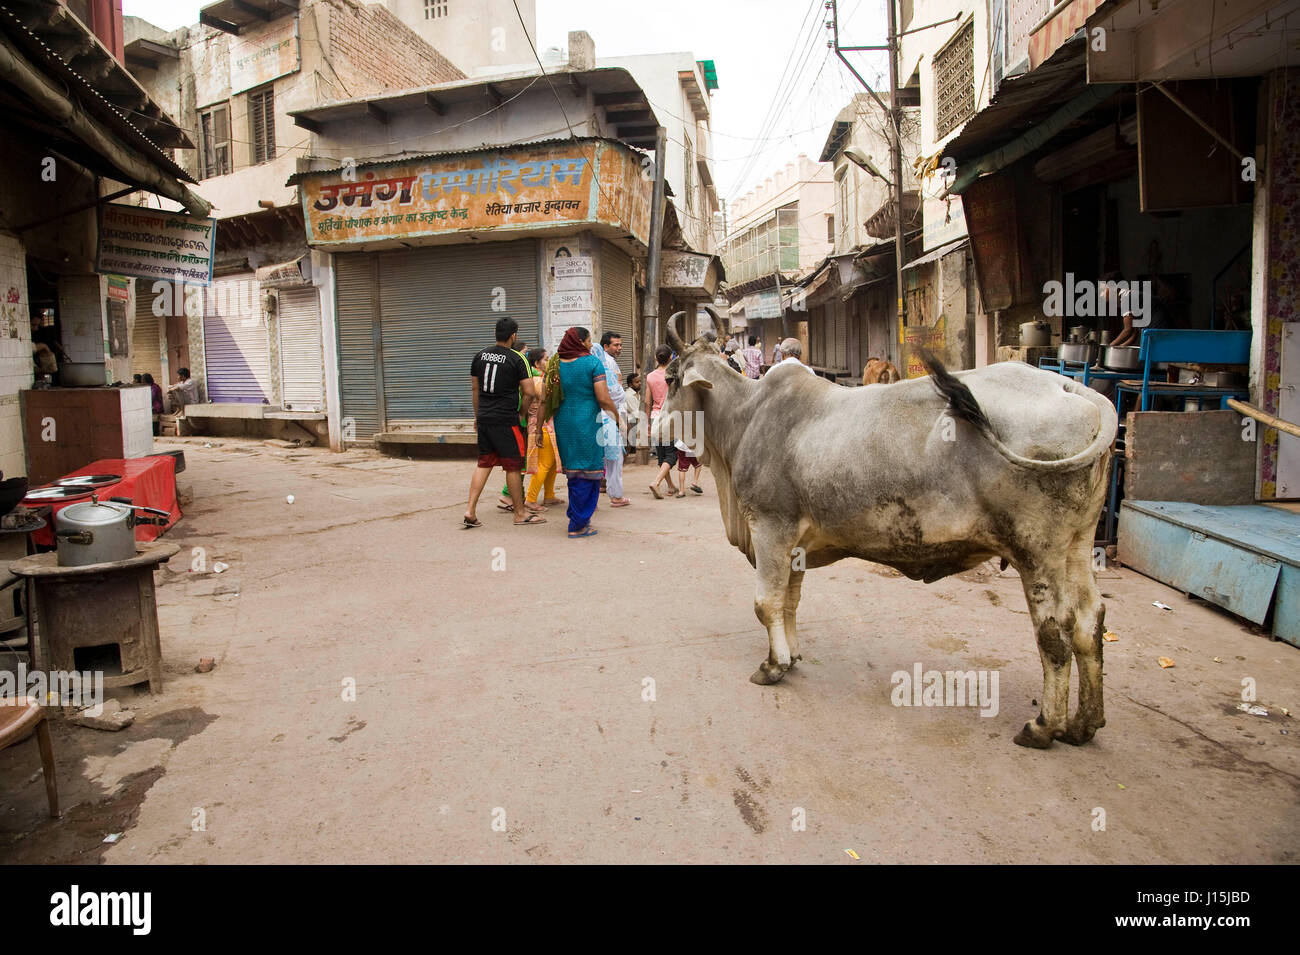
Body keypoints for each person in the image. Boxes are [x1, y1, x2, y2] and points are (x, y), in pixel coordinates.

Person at [463, 317, 544, 528]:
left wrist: (477, 415)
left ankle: (470, 510)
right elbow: (528, 392)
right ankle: (520, 513)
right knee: (513, 466)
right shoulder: (517, 359)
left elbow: (474, 390)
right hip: (506, 420)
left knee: (484, 463)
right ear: (513, 335)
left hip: (485, 419)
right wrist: (521, 414)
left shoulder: (479, 356)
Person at [545, 326, 618, 538]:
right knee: (591, 471)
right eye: (587, 341)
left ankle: (577, 516)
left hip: (564, 424)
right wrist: (619, 418)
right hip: (587, 424)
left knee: (575, 473)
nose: (589, 345)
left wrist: (539, 429)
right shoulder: (593, 363)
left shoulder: (554, 365)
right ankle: (577, 524)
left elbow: (544, 399)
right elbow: (604, 399)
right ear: (580, 342)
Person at [591, 332, 630, 507]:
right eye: (616, 345)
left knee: (599, 457)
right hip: (608, 414)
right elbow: (614, 392)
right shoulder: (605, 363)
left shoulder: (593, 363)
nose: (619, 348)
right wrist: (617, 418)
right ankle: (616, 496)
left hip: (596, 416)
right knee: (614, 458)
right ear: (605, 346)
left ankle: (597, 494)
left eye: (620, 345)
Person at [525, 351, 564, 510]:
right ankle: (531, 499)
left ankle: (549, 495)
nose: (548, 362)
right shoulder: (536, 380)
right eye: (545, 359)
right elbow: (544, 400)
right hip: (541, 426)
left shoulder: (543, 379)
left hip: (548, 424)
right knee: (544, 463)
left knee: (553, 461)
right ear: (536, 364)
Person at [645, 344, 679, 499]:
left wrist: (647, 422)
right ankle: (656, 482)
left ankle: (671, 486)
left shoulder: (650, 376)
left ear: (655, 358)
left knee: (662, 455)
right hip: (670, 416)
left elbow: (647, 401)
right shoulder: (673, 375)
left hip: (655, 416)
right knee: (672, 455)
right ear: (671, 357)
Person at [623, 371, 641, 457]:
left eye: (640, 381)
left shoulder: (637, 394)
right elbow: (636, 413)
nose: (639, 383)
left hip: (635, 420)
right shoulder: (629, 395)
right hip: (631, 421)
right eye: (637, 382)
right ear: (630, 384)